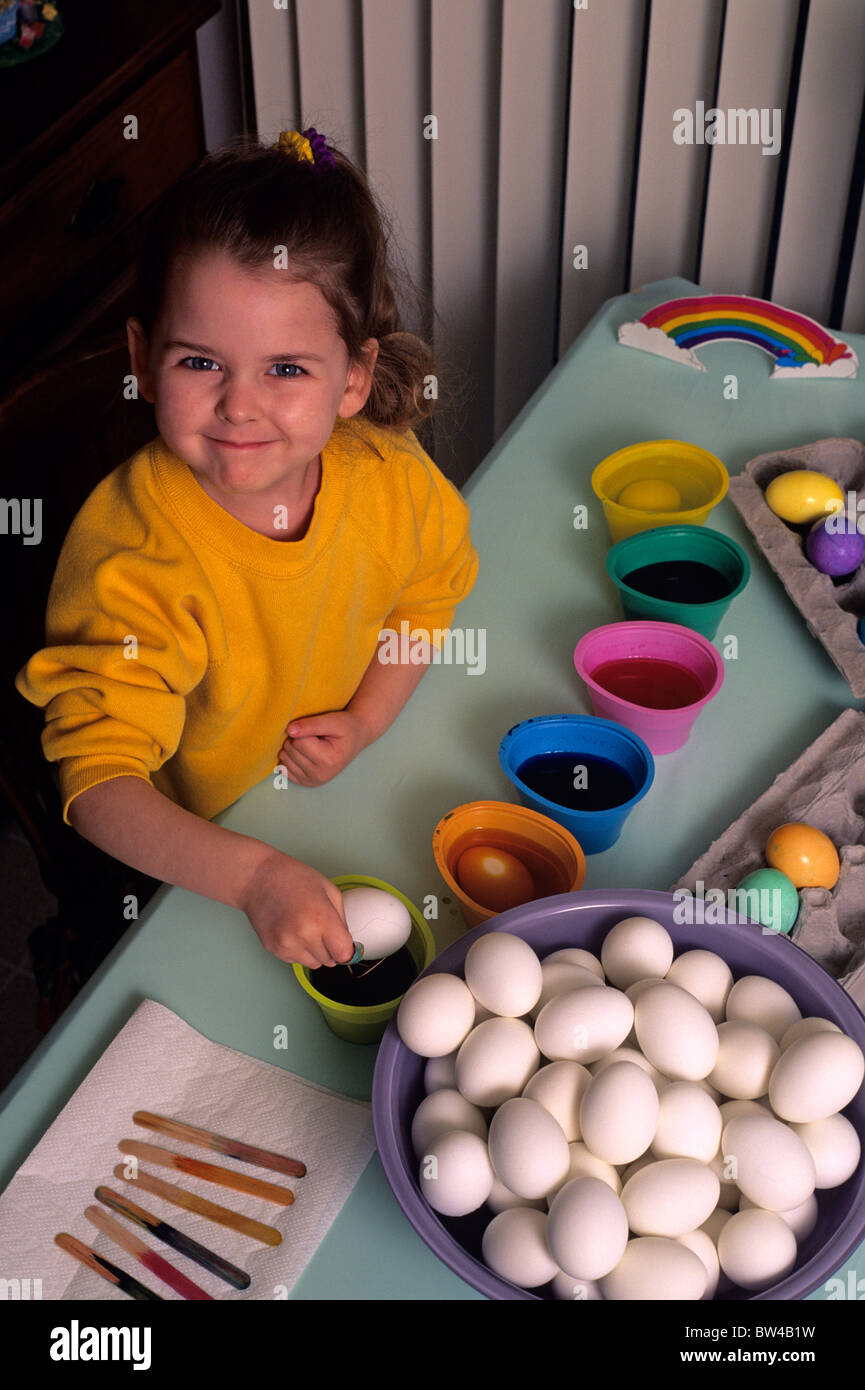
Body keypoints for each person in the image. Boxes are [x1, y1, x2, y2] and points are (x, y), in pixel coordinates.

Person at [16, 128, 478, 972]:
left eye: (287, 370)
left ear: (353, 378)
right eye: (201, 361)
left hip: (325, 816)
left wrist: (368, 719)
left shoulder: (385, 474)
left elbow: (427, 597)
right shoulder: (134, 556)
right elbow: (96, 785)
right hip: (189, 864)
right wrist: (253, 875)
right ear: (143, 362)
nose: (239, 406)